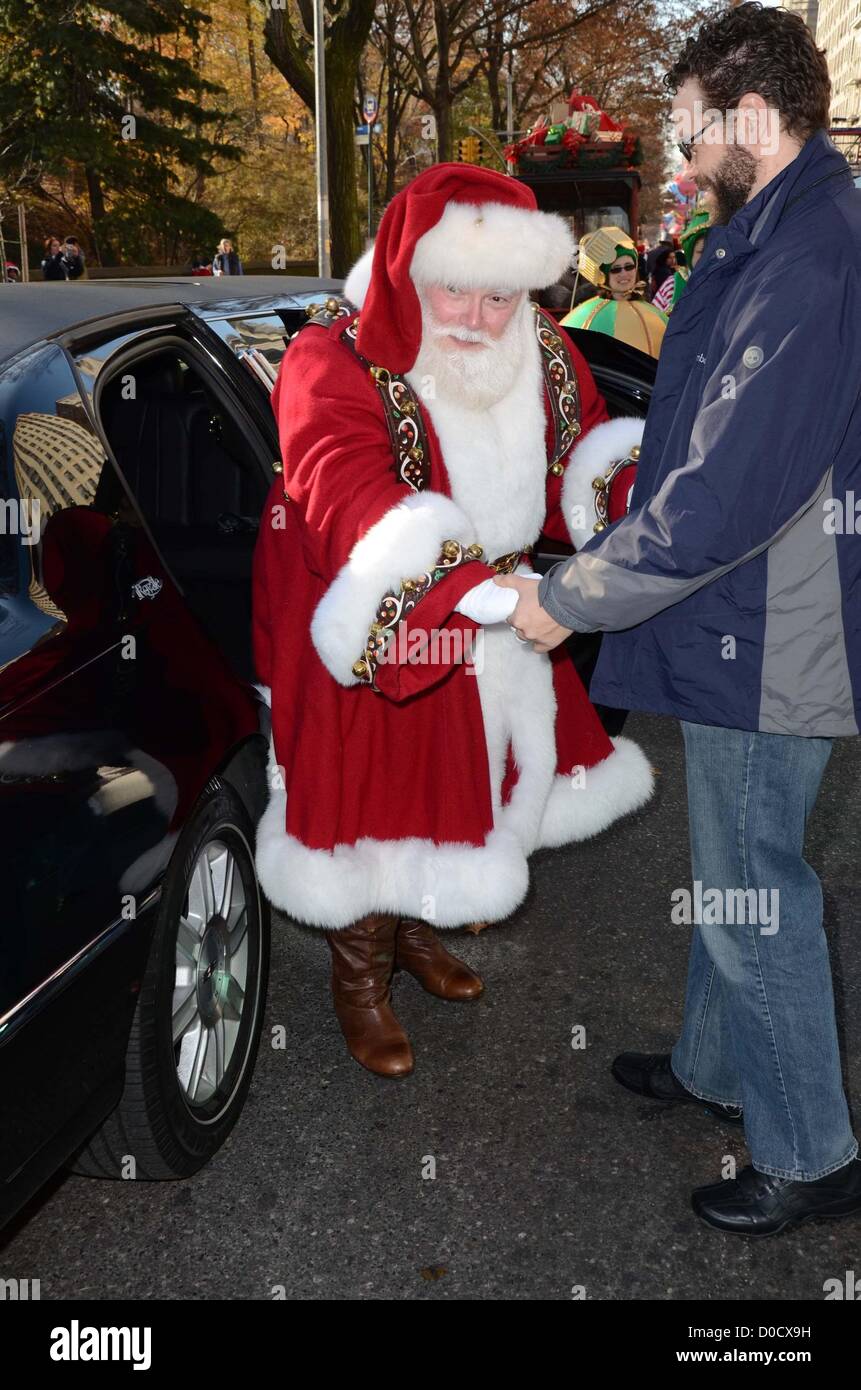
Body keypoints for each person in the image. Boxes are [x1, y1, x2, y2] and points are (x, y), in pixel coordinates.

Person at [497, 1, 861, 1236]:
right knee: (730, 870)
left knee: (754, 878)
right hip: (746, 612)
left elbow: (723, 487)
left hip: (772, 625)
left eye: (694, 125)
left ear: (753, 118)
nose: (679, 149)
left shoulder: (808, 253)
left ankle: (809, 1147)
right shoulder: (775, 226)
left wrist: (569, 598)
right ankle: (716, 1067)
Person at [252, 163, 654, 1079]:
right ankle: (359, 972)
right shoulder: (332, 357)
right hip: (378, 619)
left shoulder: (542, 349)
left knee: (463, 782)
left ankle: (418, 931)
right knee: (370, 798)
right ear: (406, 276)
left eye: (500, 296)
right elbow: (342, 487)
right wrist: (473, 591)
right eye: (455, 292)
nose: (477, 317)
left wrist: (639, 502)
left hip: (496, 614)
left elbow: (581, 457)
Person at [561, 229, 668, 358]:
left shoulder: (654, 314)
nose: (624, 274)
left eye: (629, 266)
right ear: (604, 275)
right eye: (616, 269)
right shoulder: (586, 316)